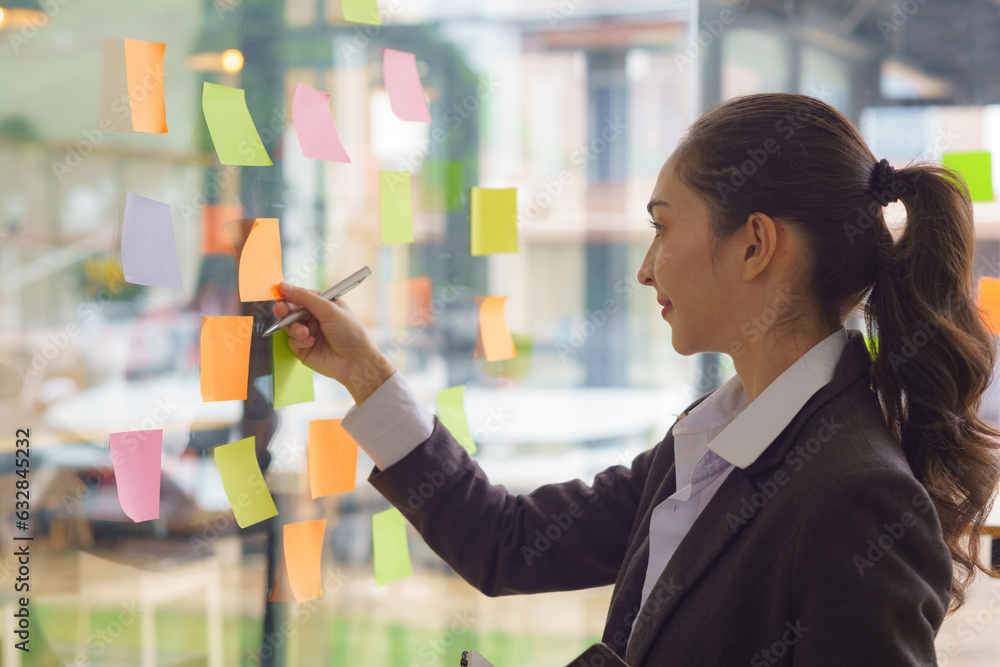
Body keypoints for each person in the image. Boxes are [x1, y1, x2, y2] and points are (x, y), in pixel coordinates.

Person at [272, 92, 1000, 666]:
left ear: (754, 244)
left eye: (662, 225)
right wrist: (363, 372)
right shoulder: (712, 439)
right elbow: (508, 542)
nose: (645, 267)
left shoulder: (856, 493)